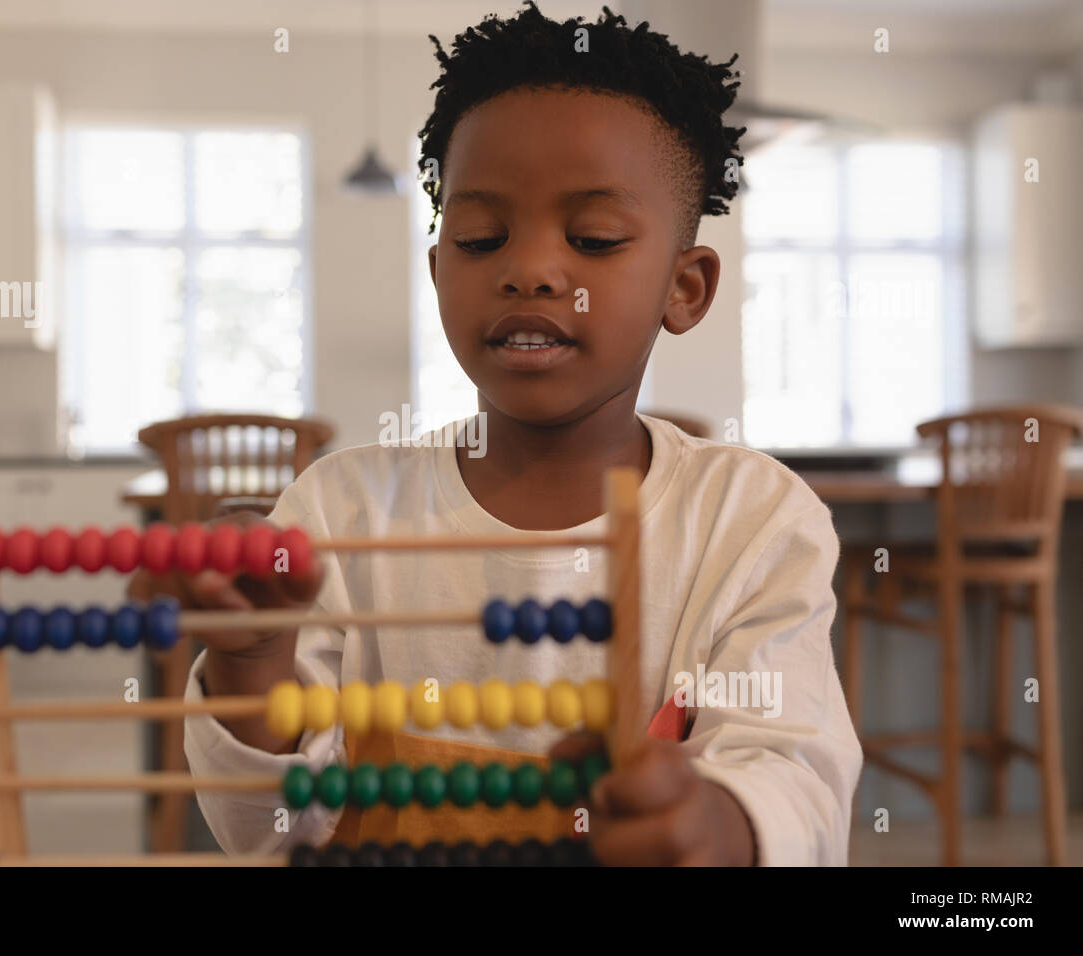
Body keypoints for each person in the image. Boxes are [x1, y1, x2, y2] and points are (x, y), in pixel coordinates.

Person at [132, 1, 861, 866]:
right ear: (438, 270)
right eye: (481, 239)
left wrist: (716, 822)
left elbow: (793, 775)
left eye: (592, 238)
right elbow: (268, 833)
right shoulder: (337, 511)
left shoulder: (753, 521)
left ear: (686, 288)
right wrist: (255, 667)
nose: (529, 271)